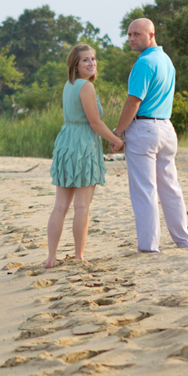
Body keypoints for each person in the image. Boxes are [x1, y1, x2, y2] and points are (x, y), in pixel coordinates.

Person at [113, 18, 188, 253]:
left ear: (151, 34)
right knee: (170, 186)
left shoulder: (144, 62)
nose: (131, 39)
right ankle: (184, 240)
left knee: (144, 189)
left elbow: (133, 101)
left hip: (145, 129)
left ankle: (149, 246)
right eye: (129, 35)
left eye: (136, 34)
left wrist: (118, 132)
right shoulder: (166, 60)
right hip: (167, 128)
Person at [45, 44, 124, 268]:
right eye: (85, 60)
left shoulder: (68, 86)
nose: (92, 63)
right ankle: (79, 256)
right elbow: (95, 123)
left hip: (66, 142)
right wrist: (117, 140)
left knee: (60, 206)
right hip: (82, 145)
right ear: (76, 66)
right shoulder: (86, 88)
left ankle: (51, 257)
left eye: (93, 59)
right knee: (81, 206)